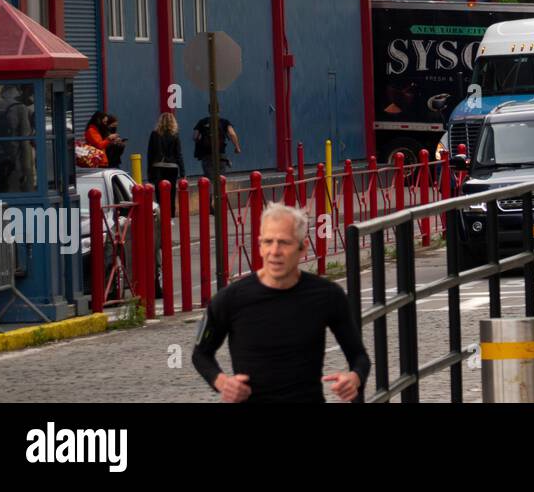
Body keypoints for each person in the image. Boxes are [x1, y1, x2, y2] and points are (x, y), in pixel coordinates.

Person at [192, 203, 370, 402]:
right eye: (268, 242)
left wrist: (354, 378)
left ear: (303, 248)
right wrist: (222, 382)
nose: (275, 251)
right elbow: (200, 354)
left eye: (284, 243)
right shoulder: (230, 299)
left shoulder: (328, 295)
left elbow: (359, 357)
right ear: (260, 246)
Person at [147, 112, 185, 215]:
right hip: (172, 167)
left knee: (159, 191)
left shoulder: (154, 134)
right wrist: (182, 172)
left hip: (158, 166)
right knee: (171, 191)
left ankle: (161, 213)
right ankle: (171, 213)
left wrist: (149, 172)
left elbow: (150, 153)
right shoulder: (175, 135)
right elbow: (179, 154)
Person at [194, 106, 241, 177]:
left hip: (207, 155)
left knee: (209, 178)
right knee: (221, 179)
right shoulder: (224, 122)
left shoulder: (202, 122)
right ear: (219, 110)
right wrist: (237, 147)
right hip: (220, 154)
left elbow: (195, 137)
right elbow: (232, 134)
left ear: (209, 111)